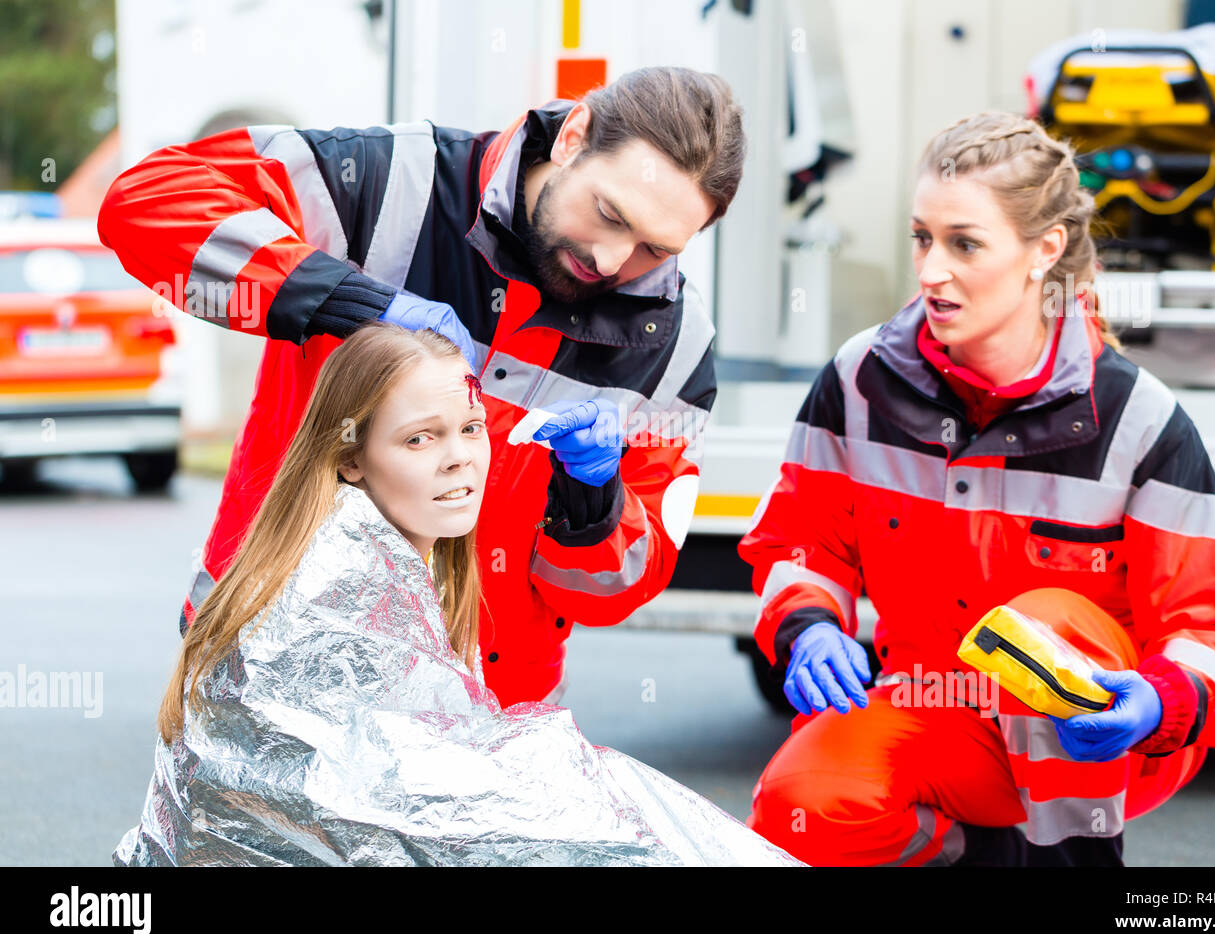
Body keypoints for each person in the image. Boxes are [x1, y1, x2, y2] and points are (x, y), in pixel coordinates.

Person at [96, 66, 746, 708]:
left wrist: (591, 501)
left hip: (483, 718)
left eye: (655, 250)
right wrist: (346, 300)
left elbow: (608, 593)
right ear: (574, 136)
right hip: (272, 665)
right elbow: (147, 202)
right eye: (609, 213)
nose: (610, 261)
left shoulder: (675, 349)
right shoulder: (390, 185)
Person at [737, 110, 1215, 866]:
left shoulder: (1135, 419)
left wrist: (1161, 699)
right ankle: (977, 858)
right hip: (933, 707)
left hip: (1111, 742)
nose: (929, 271)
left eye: (964, 244)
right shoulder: (861, 381)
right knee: (805, 804)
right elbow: (801, 540)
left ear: (1043, 251)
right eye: (922, 238)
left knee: (1040, 624)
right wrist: (811, 623)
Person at [114, 322, 797, 866]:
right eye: (421, 439)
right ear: (350, 456)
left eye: (472, 429)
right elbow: (423, 815)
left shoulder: (405, 567)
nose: (460, 459)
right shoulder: (325, 605)